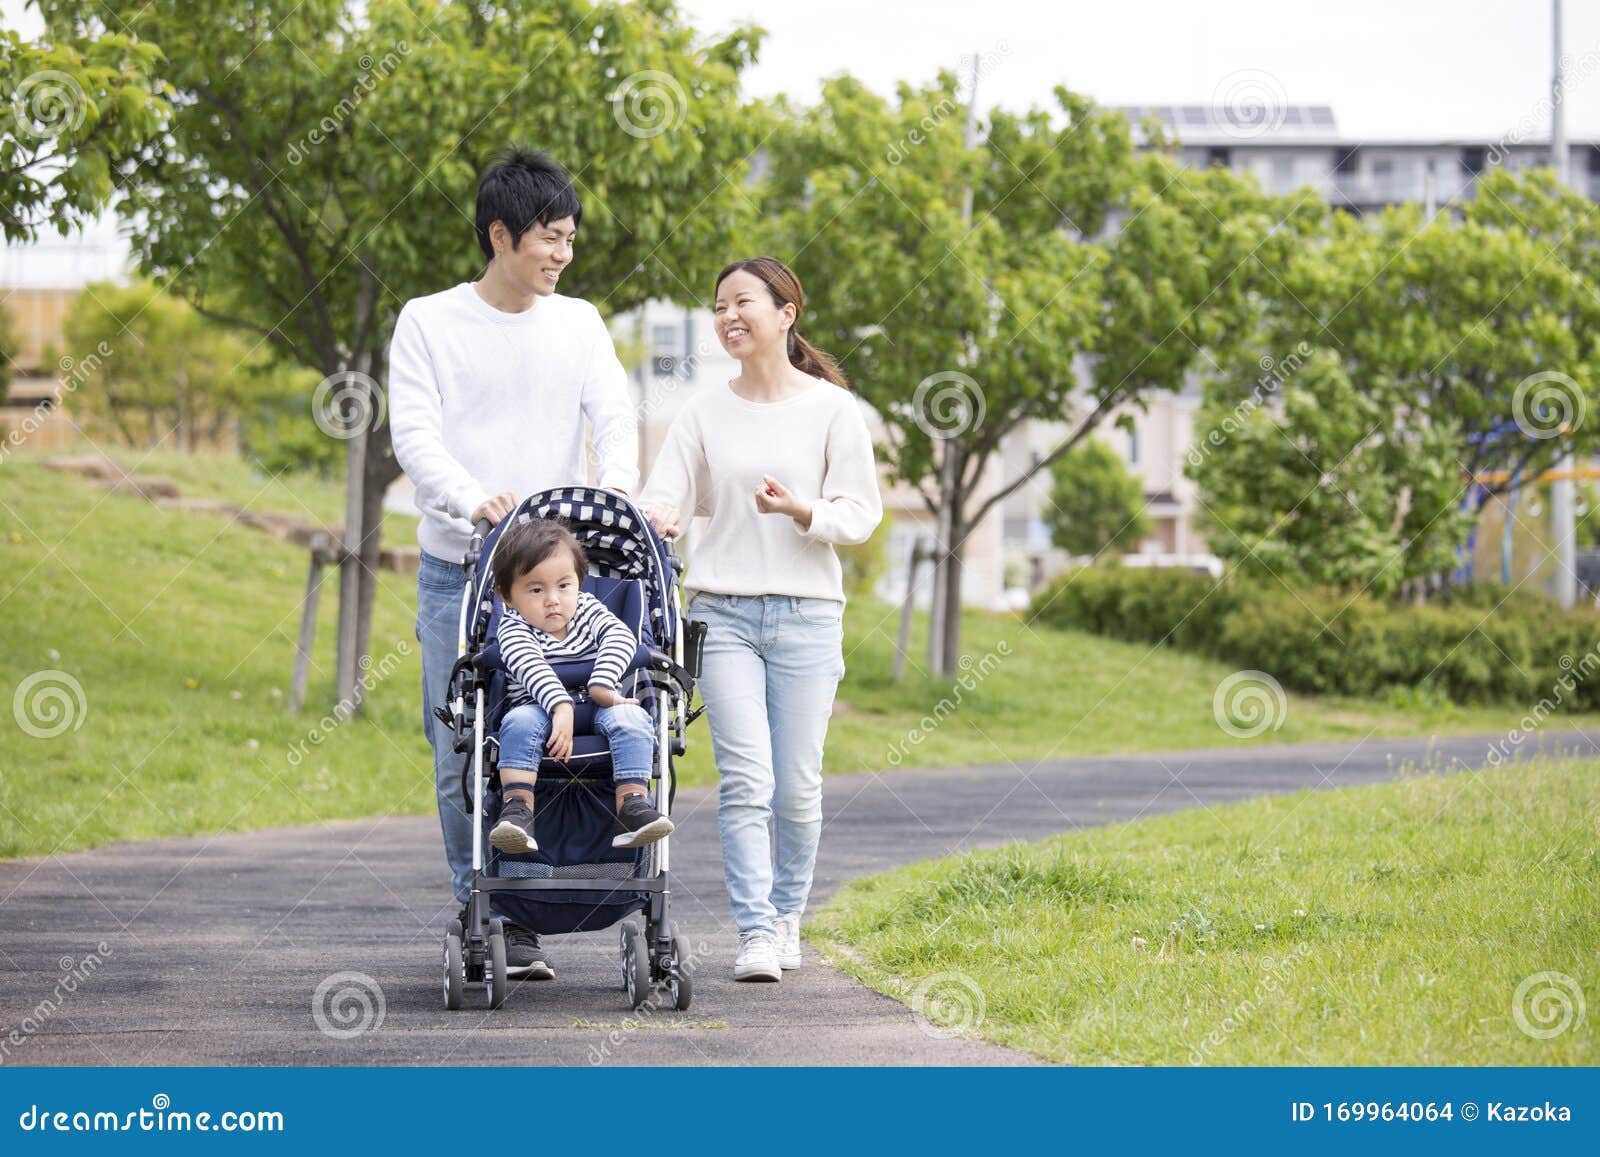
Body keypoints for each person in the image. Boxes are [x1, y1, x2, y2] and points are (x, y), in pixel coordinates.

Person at [389, 147, 637, 981]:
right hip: (460, 569)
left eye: (570, 238)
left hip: (556, 582)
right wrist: (474, 496)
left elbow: (616, 417)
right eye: (550, 237)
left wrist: (621, 496)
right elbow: (415, 435)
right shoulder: (429, 321)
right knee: (463, 741)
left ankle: (533, 914)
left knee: (559, 738)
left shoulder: (580, 322)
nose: (563, 253)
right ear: (501, 235)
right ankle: (484, 907)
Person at [640, 256, 882, 982]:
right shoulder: (703, 410)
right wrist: (663, 512)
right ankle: (752, 930)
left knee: (798, 785)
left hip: (808, 615)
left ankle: (786, 917)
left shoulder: (834, 410)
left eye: (743, 302)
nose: (727, 317)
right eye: (719, 306)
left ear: (787, 312)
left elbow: (861, 513)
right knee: (747, 779)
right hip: (724, 614)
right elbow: (668, 495)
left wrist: (802, 509)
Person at [488, 517, 673, 853]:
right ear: (507, 596)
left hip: (601, 703)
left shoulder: (588, 609)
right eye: (536, 589)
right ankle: (517, 810)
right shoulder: (514, 628)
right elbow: (530, 667)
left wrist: (602, 685)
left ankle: (632, 805)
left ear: (579, 584)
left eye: (564, 586)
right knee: (517, 723)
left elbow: (621, 637)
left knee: (633, 719)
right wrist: (560, 705)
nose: (553, 600)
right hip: (539, 708)